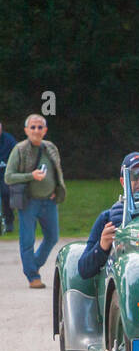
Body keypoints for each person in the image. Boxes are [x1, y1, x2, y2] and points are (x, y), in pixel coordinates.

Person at [78, 153, 139, 280]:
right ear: (123, 182)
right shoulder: (107, 218)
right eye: (135, 175)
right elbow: (84, 270)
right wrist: (102, 246)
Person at [4, 114, 66, 289]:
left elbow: (57, 171)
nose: (36, 130)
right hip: (28, 202)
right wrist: (31, 176)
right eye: (33, 127)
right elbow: (8, 177)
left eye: (40, 127)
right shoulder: (20, 149)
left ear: (45, 130)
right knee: (27, 240)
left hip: (49, 201)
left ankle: (33, 264)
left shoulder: (51, 148)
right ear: (26, 130)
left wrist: (56, 189)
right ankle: (33, 276)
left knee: (52, 237)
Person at [0, 120, 16, 233]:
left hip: (5, 172)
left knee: (6, 194)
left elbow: (15, 153)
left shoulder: (8, 139)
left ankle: (9, 222)